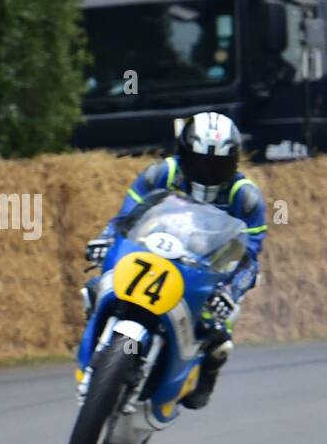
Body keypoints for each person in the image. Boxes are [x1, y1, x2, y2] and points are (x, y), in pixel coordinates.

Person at [85, 112, 267, 409]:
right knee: (95, 288)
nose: (207, 171)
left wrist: (230, 291)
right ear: (183, 154)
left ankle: (208, 370)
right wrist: (105, 239)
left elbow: (250, 256)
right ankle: (100, 346)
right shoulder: (160, 174)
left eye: (217, 164)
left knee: (216, 330)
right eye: (199, 161)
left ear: (234, 162)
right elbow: (125, 218)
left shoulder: (245, 197)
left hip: (208, 269)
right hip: (152, 251)